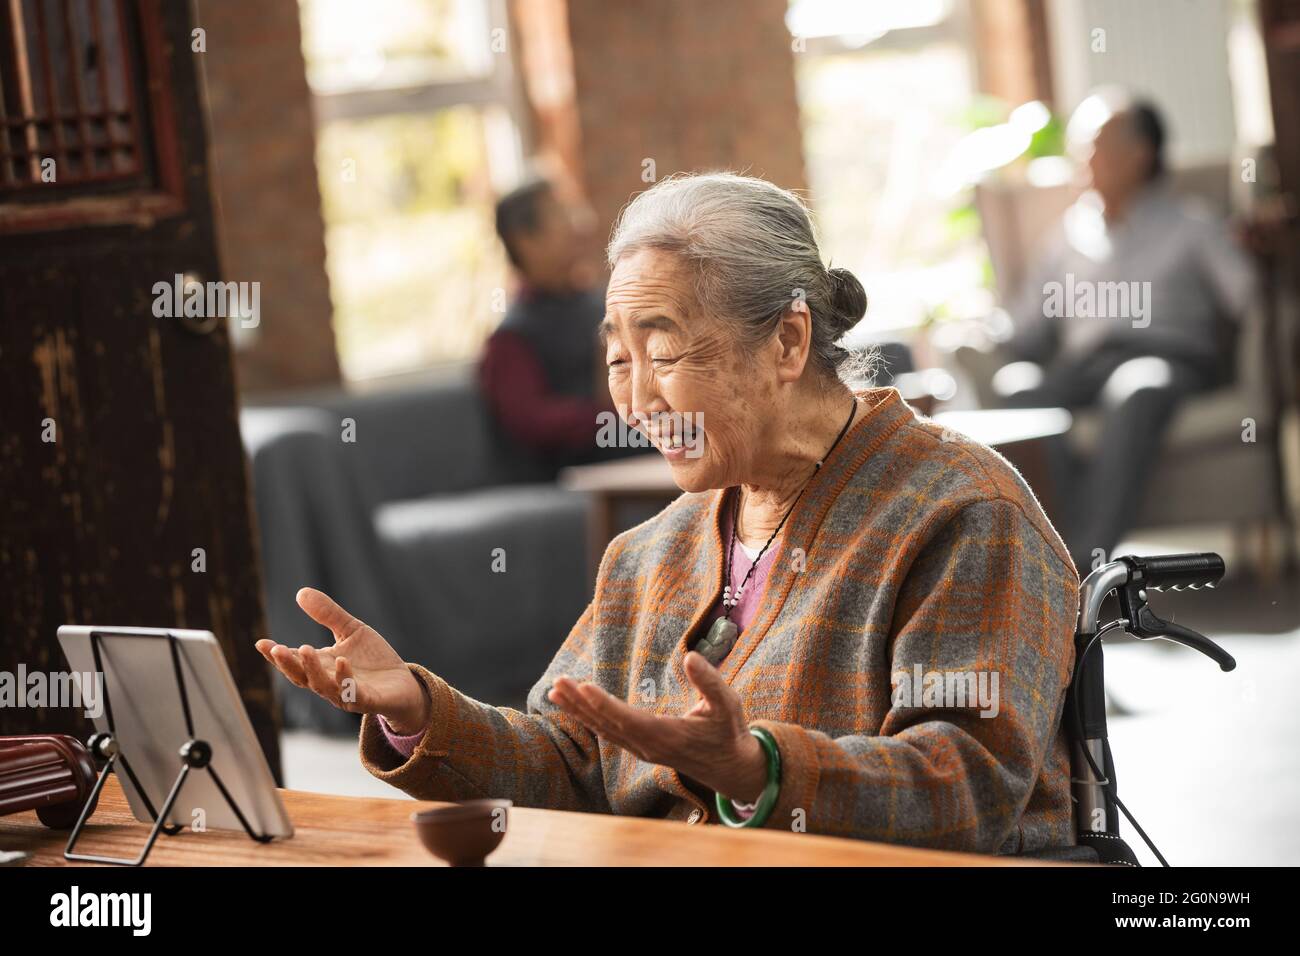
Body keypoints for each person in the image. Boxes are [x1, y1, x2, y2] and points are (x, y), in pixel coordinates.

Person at [258, 173, 1080, 855]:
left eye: (663, 351)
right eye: (618, 359)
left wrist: (756, 770)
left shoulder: (966, 513)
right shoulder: (651, 553)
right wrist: (414, 709)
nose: (638, 398)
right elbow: (568, 761)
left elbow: (966, 789)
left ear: (788, 342)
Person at [975, 89, 1258, 570]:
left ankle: (1087, 562)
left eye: (1094, 143)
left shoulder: (1191, 224)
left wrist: (1263, 250)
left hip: (1167, 358)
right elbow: (1024, 327)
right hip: (1086, 365)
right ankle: (1050, 553)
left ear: (1139, 154)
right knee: (1018, 389)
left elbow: (1249, 296)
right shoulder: (1067, 234)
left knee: (1137, 388)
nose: (1081, 156)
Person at [479, 177, 621, 470]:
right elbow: (532, 424)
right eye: (562, 215)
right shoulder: (511, 338)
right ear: (526, 240)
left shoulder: (598, 302)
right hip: (580, 461)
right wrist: (613, 414)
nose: (580, 224)